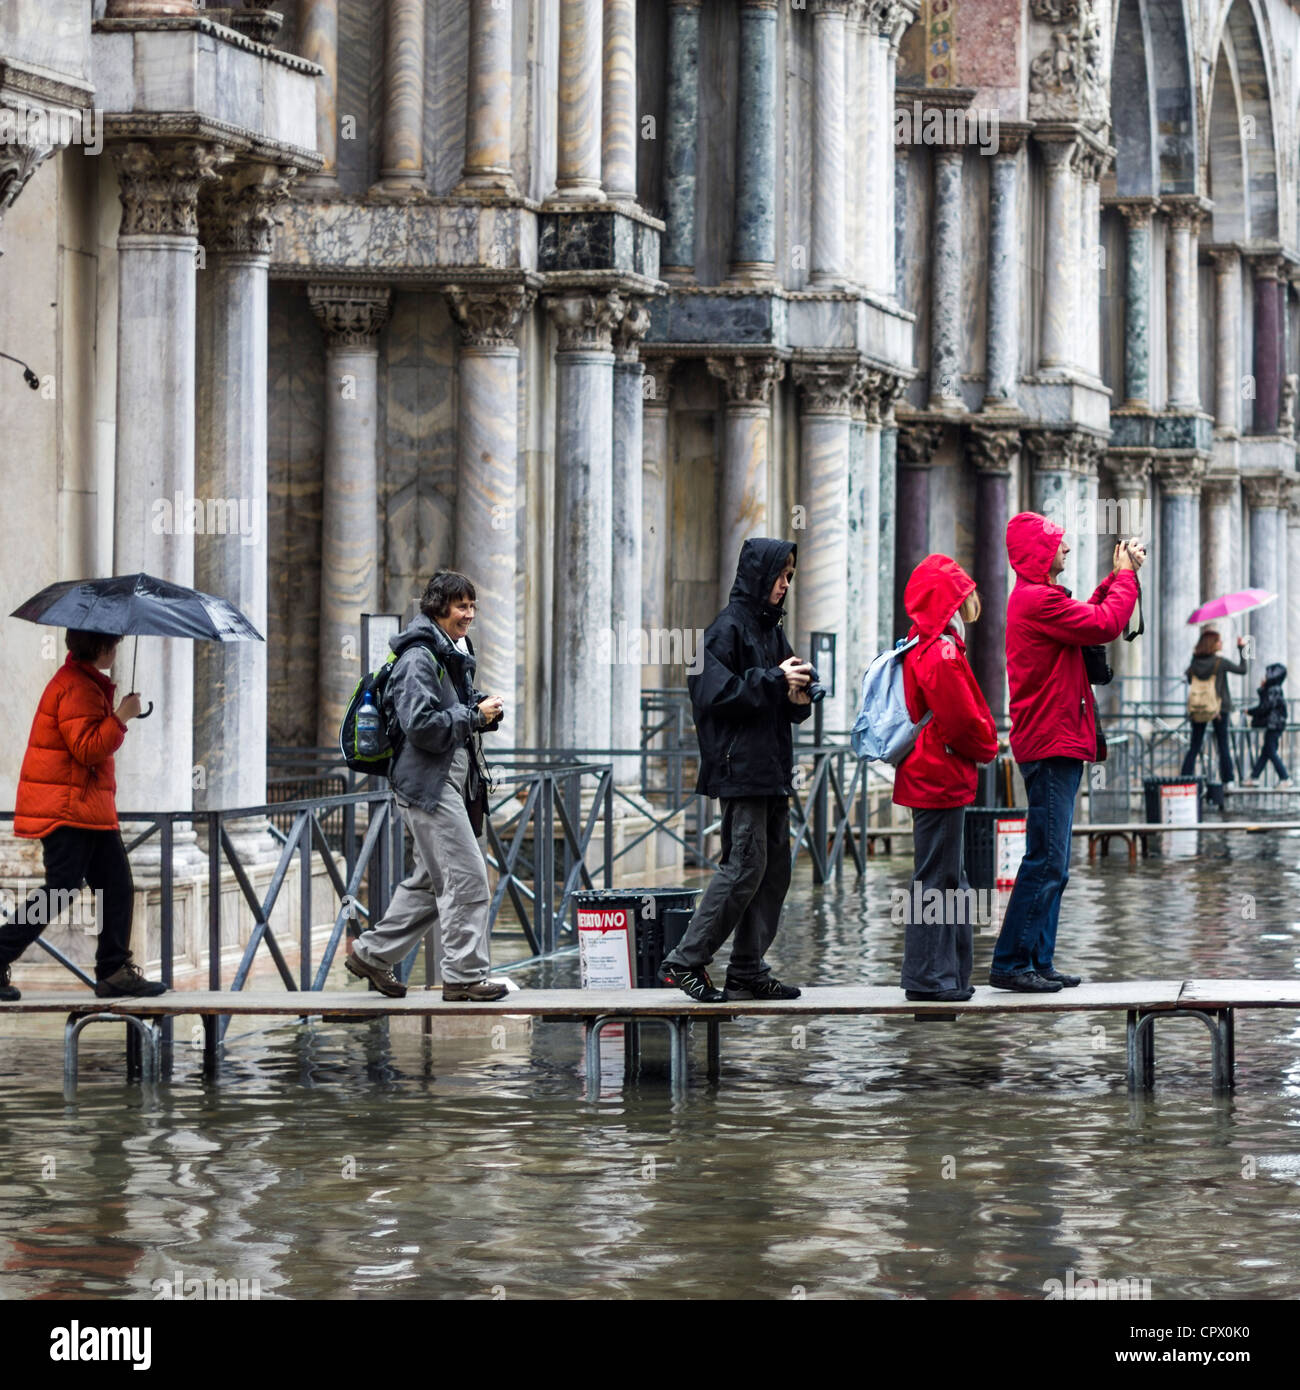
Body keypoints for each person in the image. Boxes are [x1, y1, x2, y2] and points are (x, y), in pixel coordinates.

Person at [990, 516, 1143, 993]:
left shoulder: (1041, 600)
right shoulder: (1036, 600)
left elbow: (1088, 620)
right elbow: (1106, 622)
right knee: (1047, 858)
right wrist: (1126, 579)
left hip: (1056, 740)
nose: (1066, 552)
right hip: (1051, 742)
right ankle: (1012, 962)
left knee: (1055, 859)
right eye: (1059, 545)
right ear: (1039, 553)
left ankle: (1038, 958)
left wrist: (1115, 578)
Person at [657, 538, 813, 1002]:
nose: (786, 584)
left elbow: (776, 692)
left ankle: (746, 968)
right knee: (744, 866)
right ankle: (684, 961)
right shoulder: (724, 629)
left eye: (790, 576)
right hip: (740, 767)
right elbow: (709, 691)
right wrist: (774, 681)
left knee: (774, 870)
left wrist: (801, 694)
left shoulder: (769, 628)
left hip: (771, 768)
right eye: (781, 576)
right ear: (760, 577)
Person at [345, 571, 508, 1002]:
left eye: (472, 606)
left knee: (429, 883)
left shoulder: (452, 651)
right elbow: (421, 725)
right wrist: (475, 717)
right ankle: (463, 977)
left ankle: (371, 955)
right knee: (469, 878)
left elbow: (444, 713)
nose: (469, 614)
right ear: (438, 608)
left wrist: (480, 710)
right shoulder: (419, 657)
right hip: (429, 787)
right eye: (461, 606)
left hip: (449, 783)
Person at [0, 630, 166, 1002]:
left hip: (85, 806)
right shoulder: (76, 687)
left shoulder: (85, 683)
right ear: (102, 646)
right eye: (114, 644)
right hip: (67, 809)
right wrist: (122, 716)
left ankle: (113, 972)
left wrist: (117, 714)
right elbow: (88, 749)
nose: (117, 651)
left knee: (116, 884)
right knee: (62, 888)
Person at [892, 555, 998, 1002]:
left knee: (949, 876)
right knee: (936, 878)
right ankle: (928, 978)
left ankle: (949, 975)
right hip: (938, 776)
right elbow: (962, 720)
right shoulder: (941, 651)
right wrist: (989, 745)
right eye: (964, 593)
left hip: (934, 774)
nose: (973, 600)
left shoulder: (927, 643)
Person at [1180, 627, 1247, 799]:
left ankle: (1184, 779)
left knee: (1194, 745)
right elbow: (1242, 669)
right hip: (1220, 708)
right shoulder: (1220, 662)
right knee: (1223, 745)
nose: (1221, 643)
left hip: (1198, 707)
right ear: (1212, 644)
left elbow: (1188, 679)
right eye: (1219, 640)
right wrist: (1242, 648)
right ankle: (1228, 781)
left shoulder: (1194, 663)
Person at [1242, 663, 1291, 788]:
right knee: (1266, 752)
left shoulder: (1273, 689)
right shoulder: (1273, 688)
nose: (1264, 677)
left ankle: (1285, 778)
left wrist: (1250, 711)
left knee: (1270, 751)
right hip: (1274, 724)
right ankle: (1254, 777)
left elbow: (1265, 707)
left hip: (1274, 725)